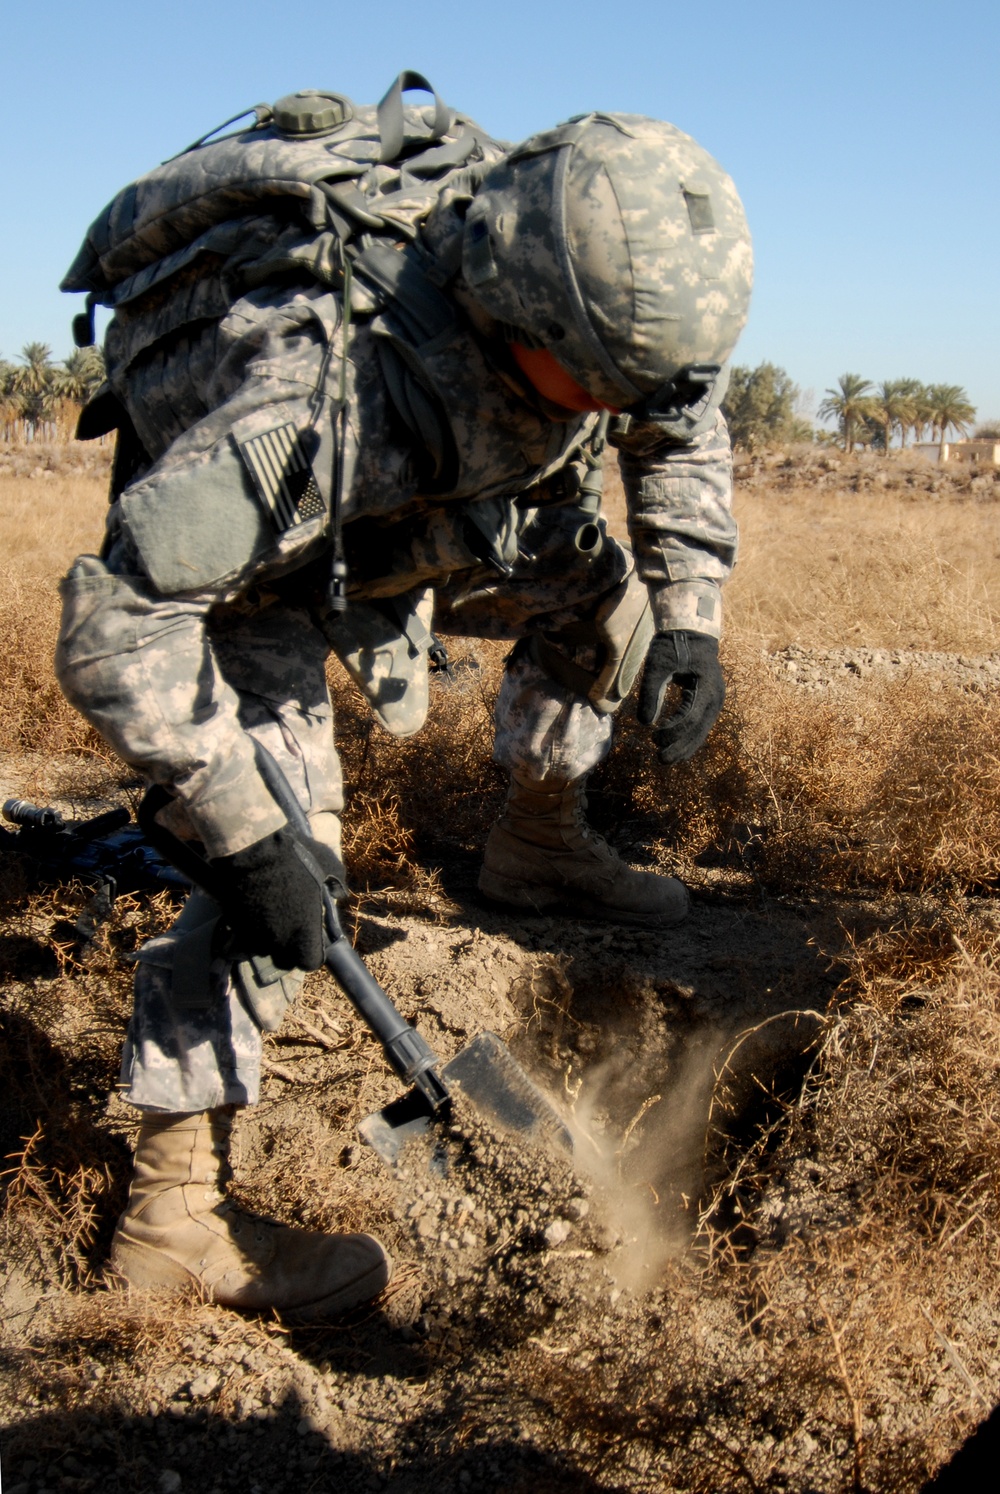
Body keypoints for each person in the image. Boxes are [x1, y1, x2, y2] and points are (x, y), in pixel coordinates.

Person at [55, 78, 752, 1317]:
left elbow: (679, 417)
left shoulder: (611, 314)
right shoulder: (309, 398)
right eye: (593, 379)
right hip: (262, 576)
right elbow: (115, 624)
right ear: (513, 314)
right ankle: (173, 1222)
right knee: (283, 866)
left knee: (611, 620)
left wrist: (689, 610)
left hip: (449, 516)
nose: (622, 406)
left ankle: (537, 845)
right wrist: (244, 829)